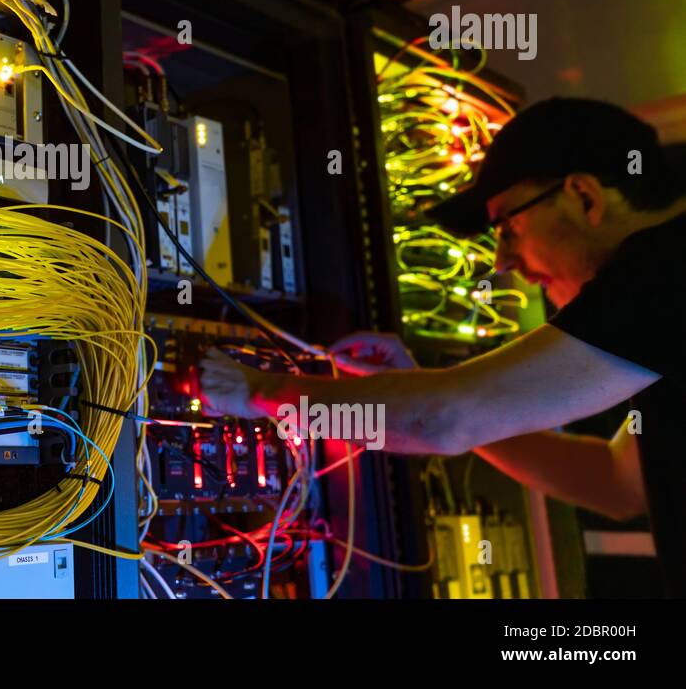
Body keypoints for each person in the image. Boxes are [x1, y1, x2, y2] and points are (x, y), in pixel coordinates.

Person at [200, 98, 686, 596]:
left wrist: (259, 392)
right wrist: (422, 389)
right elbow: (615, 483)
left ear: (583, 197)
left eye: (508, 228)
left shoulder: (665, 267)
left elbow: (445, 419)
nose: (502, 262)